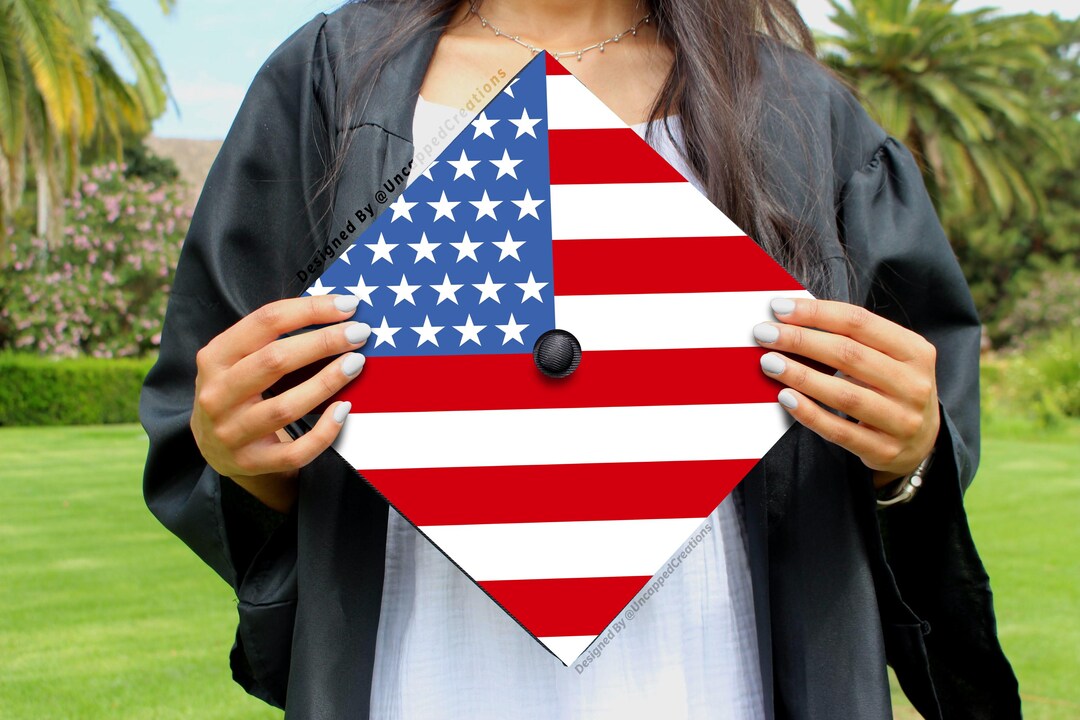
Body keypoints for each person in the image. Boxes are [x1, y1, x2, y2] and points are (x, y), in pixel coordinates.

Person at [139, 1, 1020, 718]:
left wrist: (910, 456)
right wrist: (241, 450)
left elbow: (915, 446)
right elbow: (214, 428)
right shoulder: (328, 83)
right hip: (422, 684)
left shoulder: (798, 113)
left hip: (720, 683)